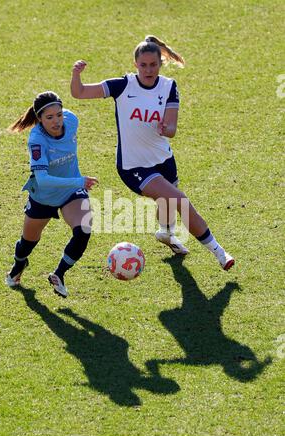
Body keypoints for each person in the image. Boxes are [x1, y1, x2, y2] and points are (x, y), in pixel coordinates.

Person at [70, 36, 234, 270]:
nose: (149, 70)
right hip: (134, 166)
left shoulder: (168, 87)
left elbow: (172, 129)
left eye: (153, 65)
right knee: (178, 199)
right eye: (143, 65)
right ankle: (219, 252)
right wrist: (77, 74)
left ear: (160, 63)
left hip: (164, 159)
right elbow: (80, 93)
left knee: (166, 202)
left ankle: (166, 234)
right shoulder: (123, 86)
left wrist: (165, 128)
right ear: (135, 64)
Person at [6, 91, 98, 297]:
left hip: (70, 192)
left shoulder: (72, 120)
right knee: (27, 243)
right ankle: (18, 267)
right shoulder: (37, 140)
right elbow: (43, 179)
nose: (56, 121)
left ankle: (59, 274)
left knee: (83, 229)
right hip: (44, 196)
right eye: (49, 118)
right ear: (39, 119)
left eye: (59, 114)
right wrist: (79, 180)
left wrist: (76, 184)